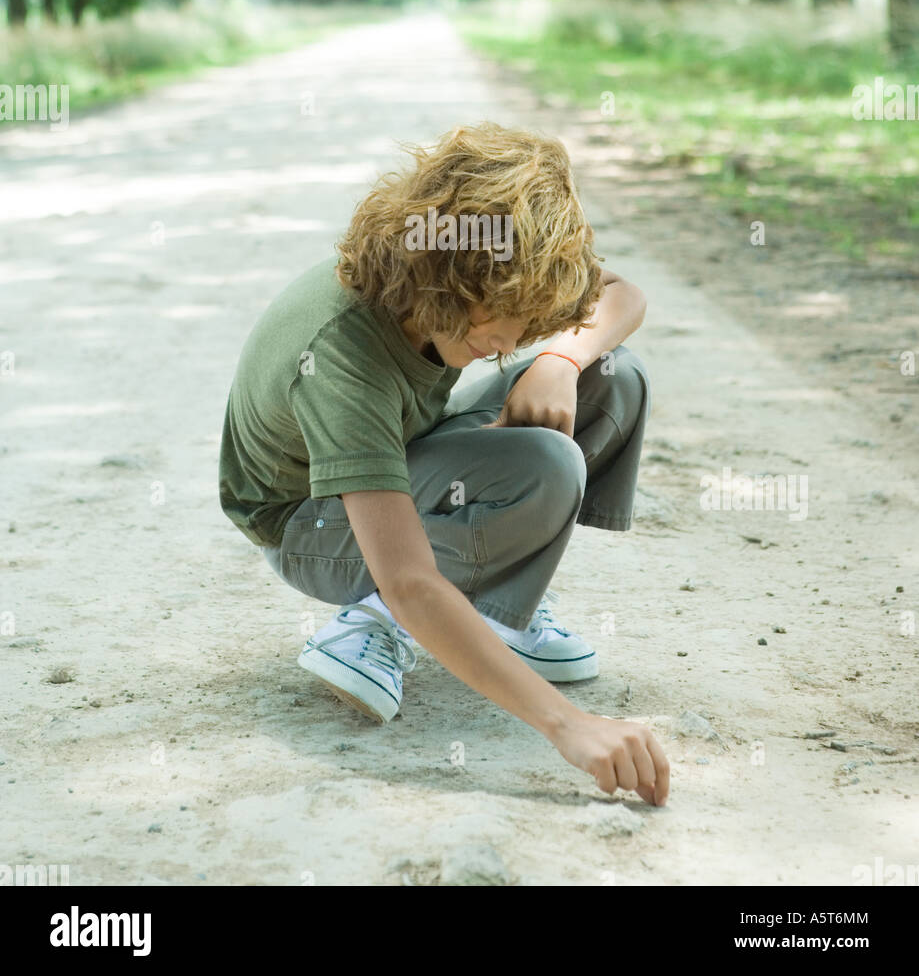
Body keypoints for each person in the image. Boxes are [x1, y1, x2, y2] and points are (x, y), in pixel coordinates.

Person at [218, 121, 669, 805]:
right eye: (506, 322)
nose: (509, 342)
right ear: (456, 279)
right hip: (307, 528)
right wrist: (569, 725)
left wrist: (556, 360)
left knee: (612, 371)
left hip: (401, 459)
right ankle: (370, 624)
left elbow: (622, 295)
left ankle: (495, 604)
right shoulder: (343, 354)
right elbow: (408, 578)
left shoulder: (460, 281)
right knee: (545, 464)